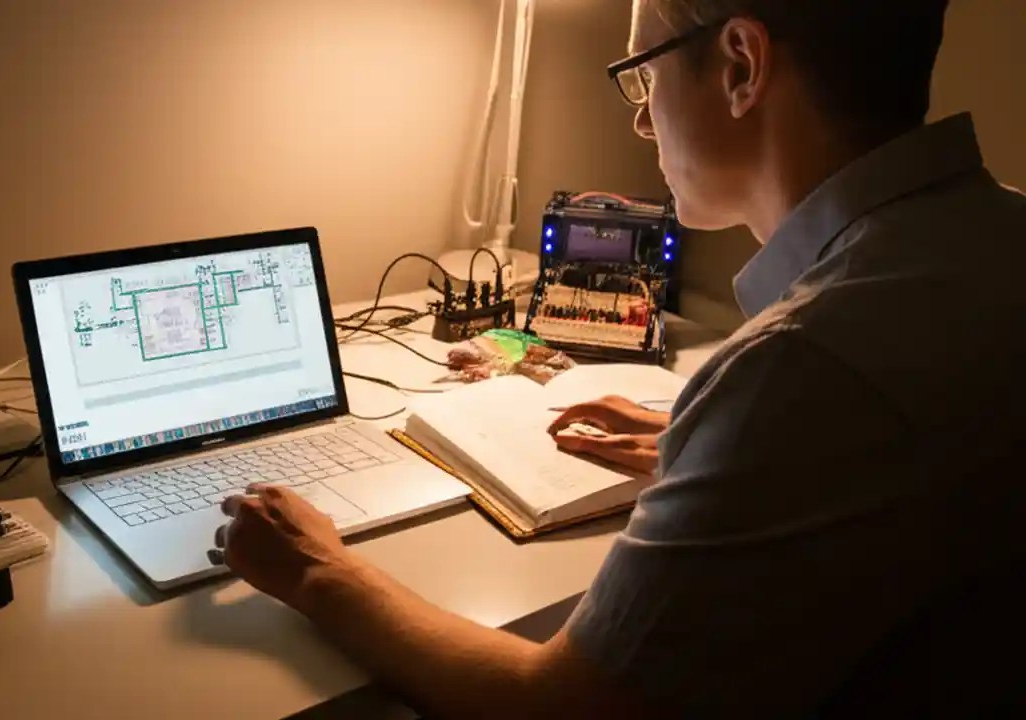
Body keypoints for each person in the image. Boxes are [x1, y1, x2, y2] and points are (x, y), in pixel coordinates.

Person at [210, 0, 1025, 715]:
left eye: (643, 75)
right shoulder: (994, 239)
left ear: (741, 65)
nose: (642, 120)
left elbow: (564, 708)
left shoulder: (804, 367)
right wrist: (712, 441)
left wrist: (318, 570)